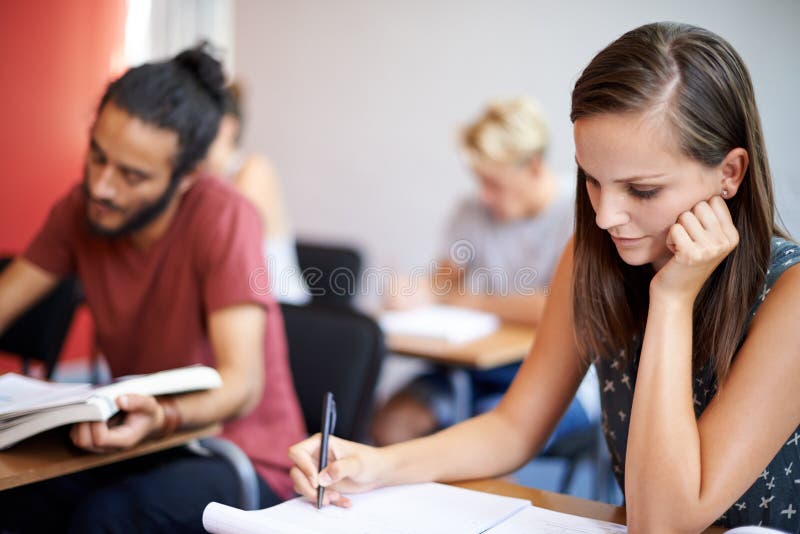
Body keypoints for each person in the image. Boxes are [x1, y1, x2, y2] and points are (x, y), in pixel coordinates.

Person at [289, 22, 800, 532]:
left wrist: (670, 300)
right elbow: (513, 429)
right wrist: (374, 465)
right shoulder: (592, 256)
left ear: (730, 173)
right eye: (592, 181)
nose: (605, 217)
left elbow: (662, 523)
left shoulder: (790, 294)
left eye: (642, 191)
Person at [0, 44, 306, 533]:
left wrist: (163, 415)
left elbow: (242, 386)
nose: (101, 187)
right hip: (144, 442)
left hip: (241, 457)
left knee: (106, 520)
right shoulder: (81, 211)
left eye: (132, 175)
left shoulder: (224, 217)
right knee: (16, 500)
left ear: (185, 178)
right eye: (97, 157)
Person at [371, 96, 598, 448]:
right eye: (479, 181)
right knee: (392, 423)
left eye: (495, 183)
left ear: (535, 167)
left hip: (563, 379)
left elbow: (556, 310)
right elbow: (444, 280)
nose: (484, 195)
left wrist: (468, 301)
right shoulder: (473, 210)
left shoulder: (580, 211)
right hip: (472, 372)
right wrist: (415, 293)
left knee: (486, 438)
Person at [201, 83, 310, 305]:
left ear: (228, 126)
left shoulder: (254, 168)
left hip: (280, 305)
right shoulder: (202, 177)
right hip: (235, 300)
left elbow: (227, 239)